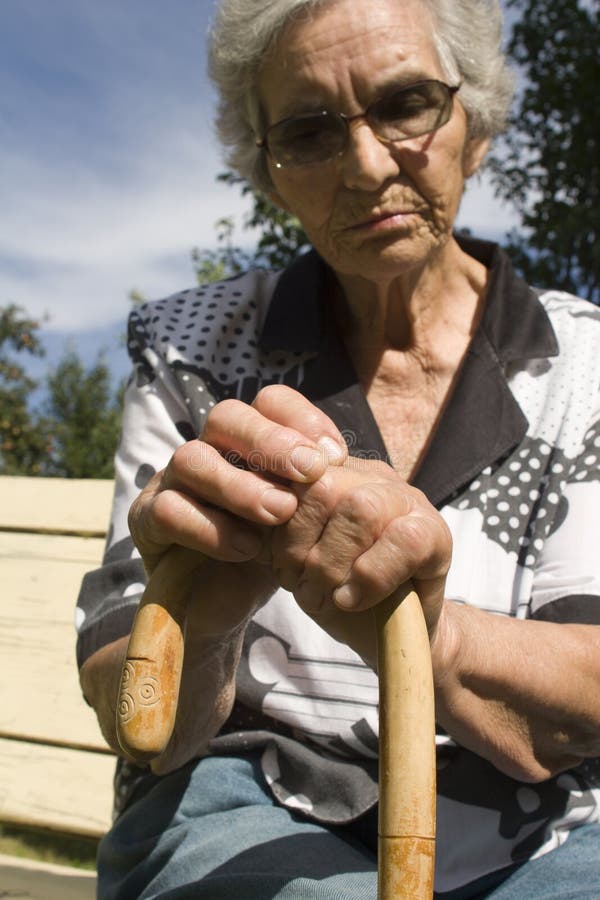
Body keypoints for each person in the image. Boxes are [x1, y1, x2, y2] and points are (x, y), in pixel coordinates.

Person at [76, 0, 600, 896]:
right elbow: (134, 712)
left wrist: (424, 631)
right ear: (270, 172)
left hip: (547, 839)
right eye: (310, 132)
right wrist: (202, 623)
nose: (366, 164)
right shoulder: (191, 351)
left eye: (405, 104)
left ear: (472, 124)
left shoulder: (582, 363)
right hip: (250, 805)